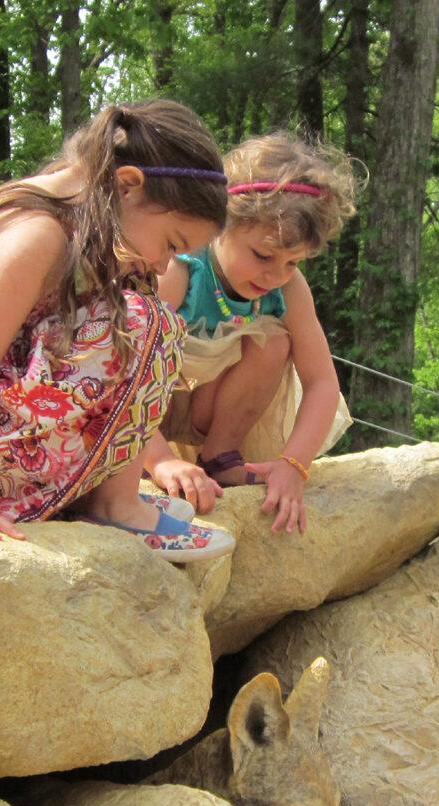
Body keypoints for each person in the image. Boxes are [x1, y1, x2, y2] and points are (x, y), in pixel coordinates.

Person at [0, 99, 235, 563]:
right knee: (147, 321)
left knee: (133, 299)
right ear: (127, 186)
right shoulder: (38, 234)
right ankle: (115, 506)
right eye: (171, 243)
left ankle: (99, 496)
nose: (167, 264)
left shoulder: (57, 206)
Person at [151, 132, 359, 534]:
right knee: (142, 347)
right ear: (220, 224)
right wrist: (159, 460)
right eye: (263, 255)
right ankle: (152, 459)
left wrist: (294, 465)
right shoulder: (179, 270)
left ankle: (220, 458)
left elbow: (320, 382)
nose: (275, 275)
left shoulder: (288, 288)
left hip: (207, 409)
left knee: (275, 341)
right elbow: (116, 376)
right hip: (144, 413)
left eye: (293, 262)